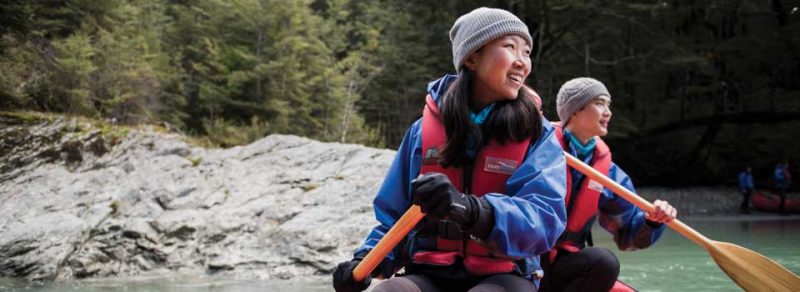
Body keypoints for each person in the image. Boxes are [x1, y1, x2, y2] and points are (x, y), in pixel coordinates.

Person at [332, 7, 568, 292]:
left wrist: (472, 210)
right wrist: (365, 261)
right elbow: (393, 217)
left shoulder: (536, 133)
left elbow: (545, 219)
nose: (522, 62)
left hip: (505, 274)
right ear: (471, 57)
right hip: (430, 271)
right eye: (510, 47)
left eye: (527, 52)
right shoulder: (422, 130)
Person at [539, 77, 678, 292]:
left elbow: (628, 238)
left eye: (608, 105)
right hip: (527, 257)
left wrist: (651, 221)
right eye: (600, 103)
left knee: (604, 262)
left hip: (566, 264)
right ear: (575, 110)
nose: (608, 112)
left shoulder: (607, 171)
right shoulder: (539, 145)